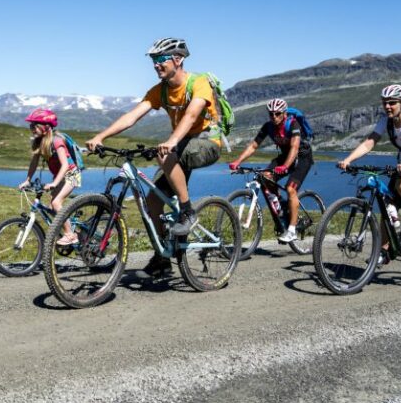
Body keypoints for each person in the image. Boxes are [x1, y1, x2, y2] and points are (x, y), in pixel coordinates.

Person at [85, 37, 221, 277]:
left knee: (163, 154)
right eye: (153, 61)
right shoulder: (160, 91)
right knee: (153, 201)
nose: (156, 65)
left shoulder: (198, 83)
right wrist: (101, 136)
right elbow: (132, 116)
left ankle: (188, 211)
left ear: (177, 60)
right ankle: (163, 257)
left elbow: (191, 116)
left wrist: (171, 141)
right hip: (180, 146)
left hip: (206, 142)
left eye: (160, 60)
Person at [337, 84, 401, 258]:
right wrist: (348, 160)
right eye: (385, 102)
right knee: (387, 207)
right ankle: (385, 250)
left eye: (392, 103)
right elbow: (370, 142)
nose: (387, 106)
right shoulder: (386, 120)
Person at [228, 98, 313, 243]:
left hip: (302, 157)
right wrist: (238, 161)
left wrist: (285, 166)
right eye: (271, 114)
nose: (274, 117)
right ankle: (280, 204)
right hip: (285, 157)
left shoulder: (293, 124)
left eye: (277, 113)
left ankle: (292, 230)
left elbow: (294, 147)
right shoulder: (268, 126)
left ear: (284, 114)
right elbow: (254, 146)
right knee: (265, 177)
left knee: (290, 189)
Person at [19, 108, 82, 246]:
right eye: (31, 126)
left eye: (35, 125)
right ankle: (73, 229)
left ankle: (70, 235)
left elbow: (65, 165)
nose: (32, 128)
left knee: (55, 203)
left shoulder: (57, 141)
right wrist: (27, 180)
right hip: (60, 176)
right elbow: (34, 162)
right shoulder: (39, 142)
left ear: (46, 127)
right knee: (52, 207)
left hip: (71, 174)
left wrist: (54, 183)